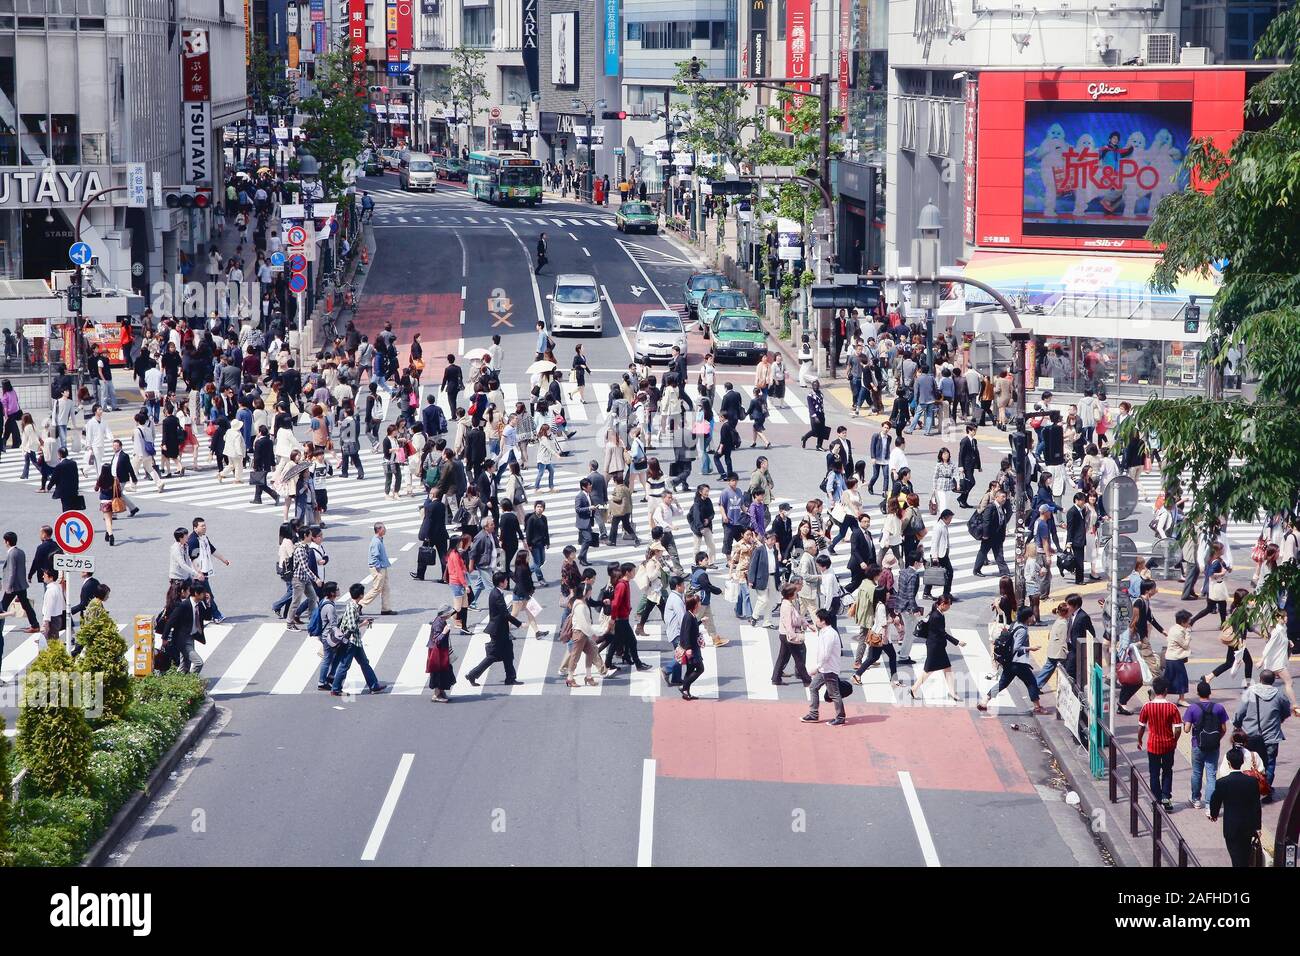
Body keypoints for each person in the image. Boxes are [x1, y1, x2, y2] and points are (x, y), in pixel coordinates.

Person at [1233, 669, 1295, 792]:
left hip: (1250, 734)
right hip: (1271, 736)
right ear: (1273, 681)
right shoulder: (1279, 694)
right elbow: (1287, 712)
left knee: (1249, 762)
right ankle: (1266, 790)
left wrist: (1238, 725)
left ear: (1260, 679)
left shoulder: (1250, 692)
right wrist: (1278, 720)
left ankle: (1250, 788)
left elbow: (1239, 713)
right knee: (1270, 763)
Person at [978, 607, 1046, 714]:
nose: (1033, 617)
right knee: (1031, 682)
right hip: (1018, 662)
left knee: (1002, 684)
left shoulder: (1015, 624)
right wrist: (1030, 648)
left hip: (1009, 661)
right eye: (1032, 615)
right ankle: (1037, 707)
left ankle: (984, 701)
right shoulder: (1022, 631)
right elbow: (1016, 647)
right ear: (1028, 617)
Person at [465, 571, 525, 687]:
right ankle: (472, 674)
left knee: (508, 654)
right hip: (498, 630)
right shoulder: (497, 595)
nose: (507, 582)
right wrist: (519, 624)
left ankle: (510, 678)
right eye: (506, 580)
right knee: (492, 656)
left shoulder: (496, 592)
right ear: (501, 583)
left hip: (500, 629)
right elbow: (505, 614)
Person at [329, 582, 386, 695]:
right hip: (351, 642)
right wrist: (363, 623)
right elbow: (351, 627)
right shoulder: (352, 608)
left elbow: (352, 622)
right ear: (361, 595)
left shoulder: (353, 606)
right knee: (345, 665)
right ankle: (335, 689)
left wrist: (362, 621)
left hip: (356, 642)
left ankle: (374, 686)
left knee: (364, 663)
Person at [1209, 748, 1263, 867]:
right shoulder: (1252, 782)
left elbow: (1215, 799)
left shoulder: (1222, 782)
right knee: (1245, 854)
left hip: (1231, 826)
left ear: (1228, 763)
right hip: (1248, 825)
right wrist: (1258, 826)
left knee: (1235, 854)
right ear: (1242, 761)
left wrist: (1214, 814)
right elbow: (1256, 805)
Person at [1136, 676, 1182, 812]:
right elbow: (1178, 728)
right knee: (1167, 771)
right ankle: (1166, 798)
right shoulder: (1172, 707)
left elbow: (1141, 727)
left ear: (1154, 691)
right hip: (1168, 745)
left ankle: (1156, 800)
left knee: (1154, 773)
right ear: (1166, 691)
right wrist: (1175, 740)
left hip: (1153, 745)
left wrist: (1139, 740)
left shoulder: (1147, 707)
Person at [1184, 678, 1229, 812]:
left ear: (1198, 693)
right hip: (1213, 746)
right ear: (1210, 693)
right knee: (1211, 775)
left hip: (1197, 744)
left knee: (1197, 773)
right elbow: (1224, 729)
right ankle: (1209, 804)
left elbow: (1186, 729)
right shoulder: (1219, 708)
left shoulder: (1192, 708)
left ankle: (1196, 799)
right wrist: (1217, 739)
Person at [910, 596, 965, 701]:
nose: (950, 607)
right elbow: (942, 633)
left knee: (947, 668)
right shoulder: (937, 616)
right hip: (935, 647)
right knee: (928, 671)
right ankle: (914, 689)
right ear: (943, 604)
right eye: (949, 604)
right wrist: (957, 642)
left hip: (937, 646)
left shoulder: (937, 613)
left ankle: (952, 692)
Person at [802, 609, 846, 725]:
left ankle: (840, 717)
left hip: (829, 669)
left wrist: (816, 668)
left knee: (834, 694)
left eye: (817, 619)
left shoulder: (830, 634)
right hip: (824, 669)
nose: (815, 621)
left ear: (823, 621)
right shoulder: (824, 632)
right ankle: (813, 714)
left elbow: (826, 654)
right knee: (813, 687)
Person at [360, 522, 396, 615]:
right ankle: (360, 605)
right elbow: (374, 557)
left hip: (383, 567)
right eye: (384, 528)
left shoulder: (379, 539)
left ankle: (386, 608)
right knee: (377, 588)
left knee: (386, 588)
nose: (385, 530)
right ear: (379, 530)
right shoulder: (376, 541)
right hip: (379, 568)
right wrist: (379, 567)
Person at [425, 604, 457, 702]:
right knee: (438, 672)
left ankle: (441, 692)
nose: (451, 615)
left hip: (440, 651)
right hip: (437, 652)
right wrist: (444, 632)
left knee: (443, 671)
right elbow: (436, 640)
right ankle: (436, 695)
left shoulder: (440, 620)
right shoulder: (439, 623)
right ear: (445, 614)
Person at [677, 594, 706, 700]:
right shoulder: (689, 617)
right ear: (695, 605)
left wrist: (700, 622)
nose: (700, 605)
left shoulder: (690, 615)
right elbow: (686, 633)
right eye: (699, 603)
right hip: (692, 648)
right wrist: (688, 648)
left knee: (689, 670)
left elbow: (691, 629)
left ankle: (686, 692)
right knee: (700, 668)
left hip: (693, 647)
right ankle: (684, 687)